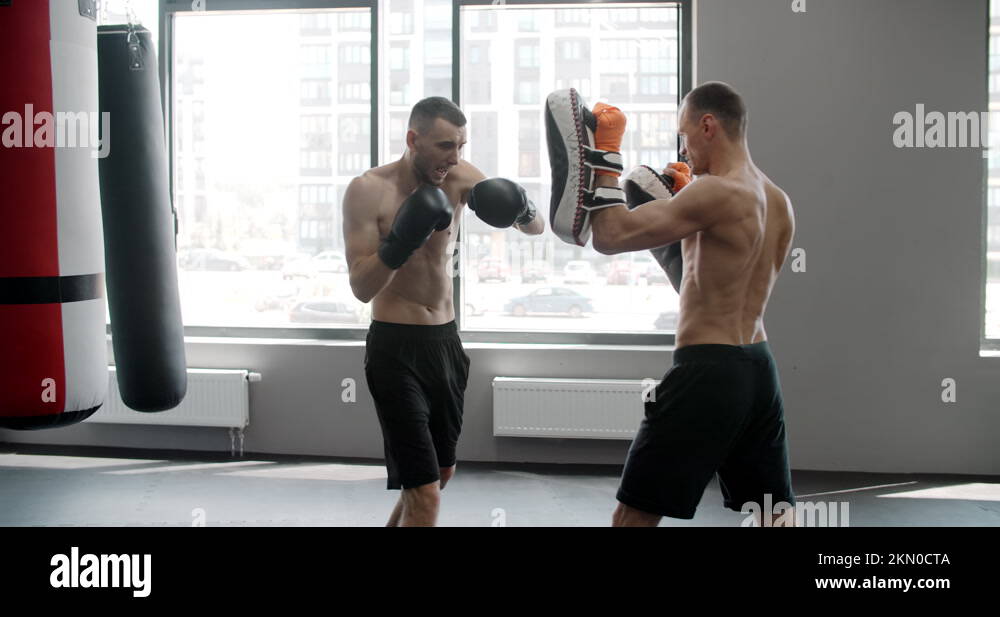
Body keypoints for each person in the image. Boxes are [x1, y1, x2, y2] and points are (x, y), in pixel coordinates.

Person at [552, 81, 796, 526]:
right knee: (772, 514)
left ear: (708, 126)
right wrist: (681, 205)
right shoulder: (778, 201)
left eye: (684, 136)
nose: (684, 151)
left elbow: (609, 236)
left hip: (708, 371)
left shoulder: (715, 193)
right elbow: (710, 277)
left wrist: (606, 153)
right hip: (758, 368)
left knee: (633, 514)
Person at [343, 96, 544, 526]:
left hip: (446, 344)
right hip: (394, 349)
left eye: (461, 146)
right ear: (413, 139)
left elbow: (536, 227)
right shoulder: (367, 190)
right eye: (444, 146)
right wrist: (400, 243)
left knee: (437, 476)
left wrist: (521, 207)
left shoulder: (459, 178)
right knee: (426, 494)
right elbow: (361, 288)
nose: (454, 158)